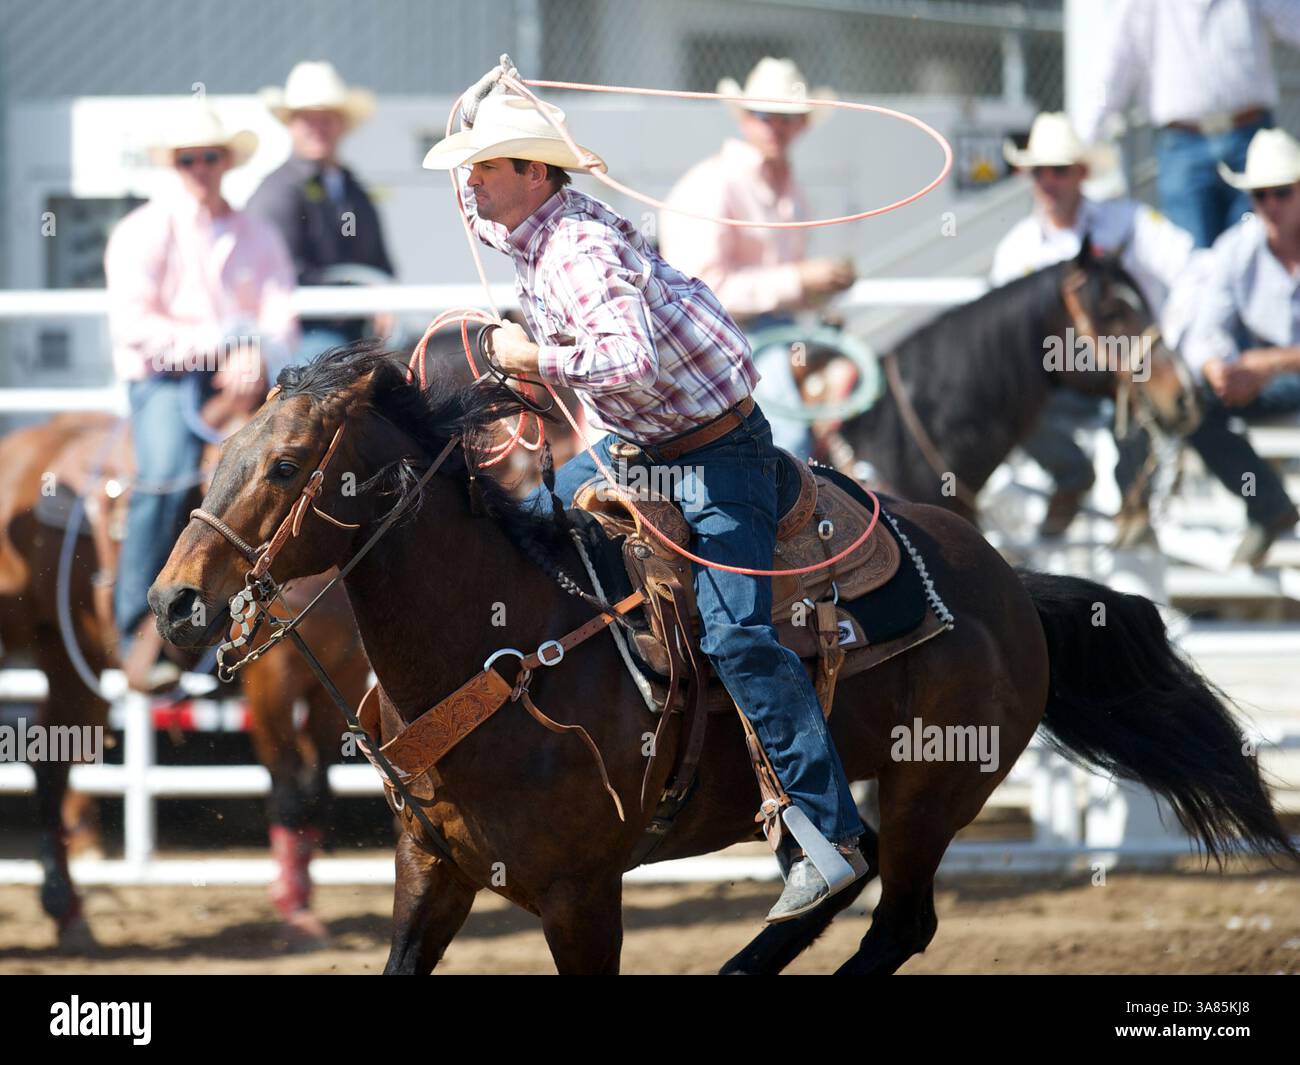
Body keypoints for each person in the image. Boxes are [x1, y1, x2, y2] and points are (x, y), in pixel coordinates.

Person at [421, 58, 868, 922]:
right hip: (643, 446)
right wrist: (481, 101)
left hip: (714, 455)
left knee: (739, 633)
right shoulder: (534, 226)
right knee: (530, 542)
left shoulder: (576, 247)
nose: (467, 182)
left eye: (483, 164)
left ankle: (827, 829)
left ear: (531, 171)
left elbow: (627, 359)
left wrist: (529, 358)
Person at [105, 102, 298, 690]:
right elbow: (136, 326)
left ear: (224, 162)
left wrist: (257, 354)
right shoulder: (143, 232)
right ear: (175, 165)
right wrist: (226, 346)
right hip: (164, 379)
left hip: (240, 375)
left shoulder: (256, 234)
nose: (200, 167)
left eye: (209, 156)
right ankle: (136, 623)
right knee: (166, 471)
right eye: (189, 158)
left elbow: (282, 317)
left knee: (292, 466)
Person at [993, 112, 1196, 541]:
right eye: (1038, 172)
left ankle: (1131, 500)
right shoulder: (1016, 249)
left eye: (1058, 171)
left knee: (1136, 389)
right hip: (1054, 382)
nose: (1047, 181)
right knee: (1007, 402)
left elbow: (1191, 269)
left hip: (1123, 373)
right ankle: (1075, 480)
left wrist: (1160, 344)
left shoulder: (1128, 222)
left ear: (1081, 173)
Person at [659, 57, 855, 460]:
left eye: (789, 117)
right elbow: (701, 290)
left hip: (777, 333)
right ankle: (787, 507)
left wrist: (821, 290)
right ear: (745, 118)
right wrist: (801, 280)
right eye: (767, 115)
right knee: (788, 436)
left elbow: (784, 283)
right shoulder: (712, 184)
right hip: (716, 337)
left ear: (802, 124)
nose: (778, 127)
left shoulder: (792, 189)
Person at [1076, 0, 1300, 248]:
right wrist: (1083, 141)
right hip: (1183, 147)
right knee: (1192, 258)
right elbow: (1116, 60)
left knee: (1257, 245)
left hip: (1248, 142)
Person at [1180, 127, 1300, 565]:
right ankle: (1270, 506)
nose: (1269, 204)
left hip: (1272, 373)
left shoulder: (1237, 248)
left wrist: (1268, 363)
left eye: (1281, 192)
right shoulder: (1237, 250)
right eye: (1260, 194)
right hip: (1269, 378)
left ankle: (1269, 508)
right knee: (1190, 406)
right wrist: (1219, 371)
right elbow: (1204, 330)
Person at [248, 61, 393, 362]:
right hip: (303, 335)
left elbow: (381, 264)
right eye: (308, 119)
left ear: (342, 124)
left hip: (360, 334)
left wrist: (382, 300)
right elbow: (281, 275)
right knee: (328, 374)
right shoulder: (277, 192)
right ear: (291, 124)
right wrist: (363, 295)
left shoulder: (355, 190)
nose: (319, 128)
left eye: (326, 118)